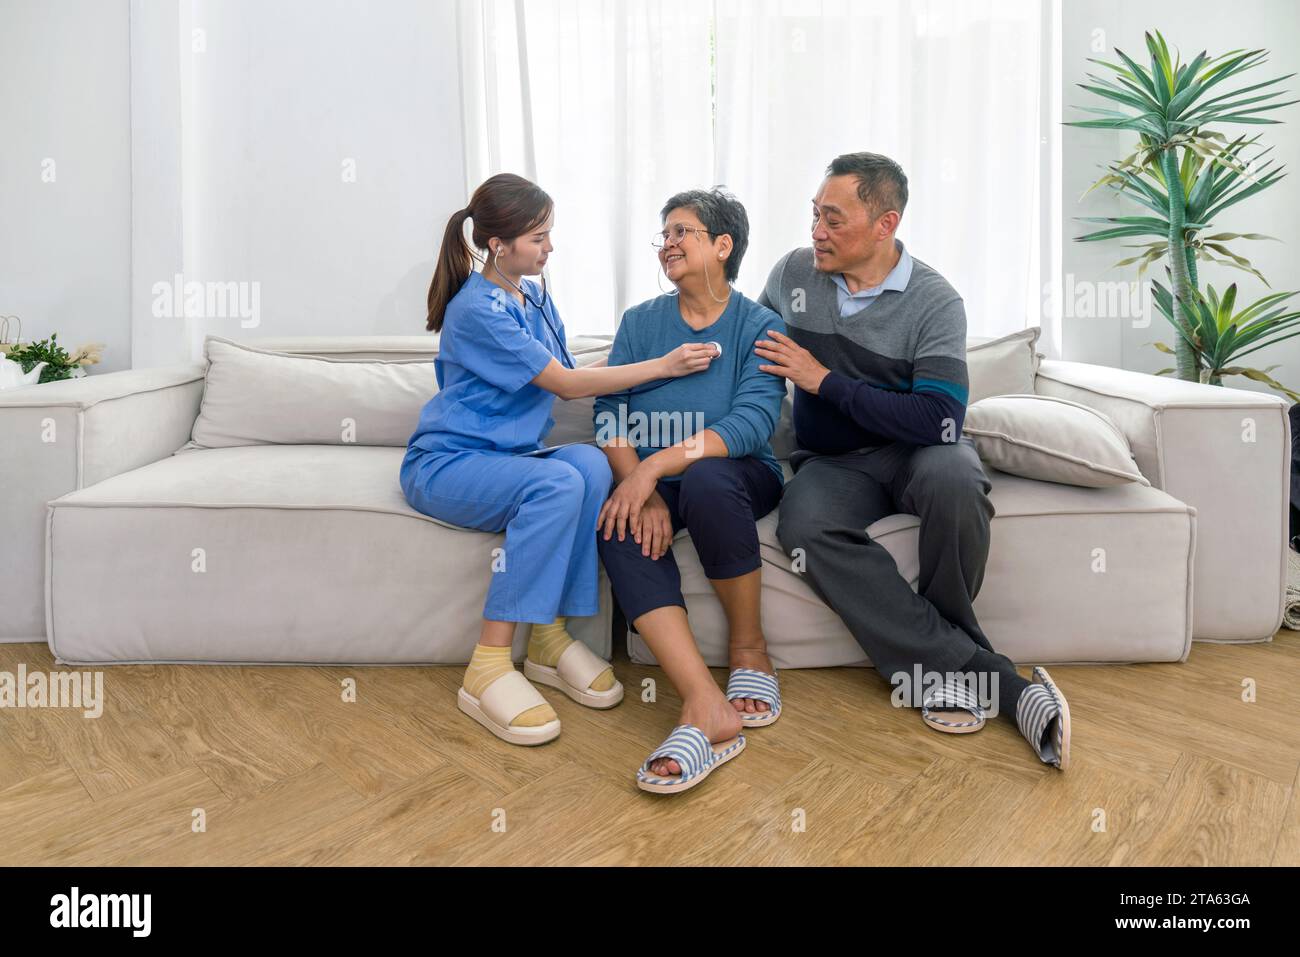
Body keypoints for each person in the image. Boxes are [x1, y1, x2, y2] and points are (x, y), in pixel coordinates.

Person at [756, 152, 1071, 770]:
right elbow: (749, 341)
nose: (815, 231)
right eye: (814, 215)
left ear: (885, 224)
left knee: (957, 477)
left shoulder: (934, 301)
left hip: (918, 452)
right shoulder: (795, 273)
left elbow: (940, 420)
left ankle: (939, 667)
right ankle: (981, 674)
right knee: (805, 526)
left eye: (833, 218)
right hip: (835, 462)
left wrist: (824, 382)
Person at [401, 173, 718, 747]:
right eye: (539, 237)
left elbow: (568, 369)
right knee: (555, 485)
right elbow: (567, 384)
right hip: (449, 462)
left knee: (593, 467)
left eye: (550, 235)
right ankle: (489, 665)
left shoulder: (535, 291)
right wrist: (665, 365)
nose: (550, 247)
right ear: (499, 245)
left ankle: (548, 639)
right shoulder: (478, 309)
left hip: (512, 454)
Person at [595, 187, 787, 795]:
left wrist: (655, 470)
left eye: (682, 232)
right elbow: (609, 412)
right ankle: (705, 702)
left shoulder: (759, 323)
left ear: (723, 246)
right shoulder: (640, 323)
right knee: (618, 520)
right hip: (652, 479)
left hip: (735, 474)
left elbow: (750, 424)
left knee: (705, 477)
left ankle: (750, 652)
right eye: (664, 235)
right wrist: (637, 484)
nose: (668, 245)